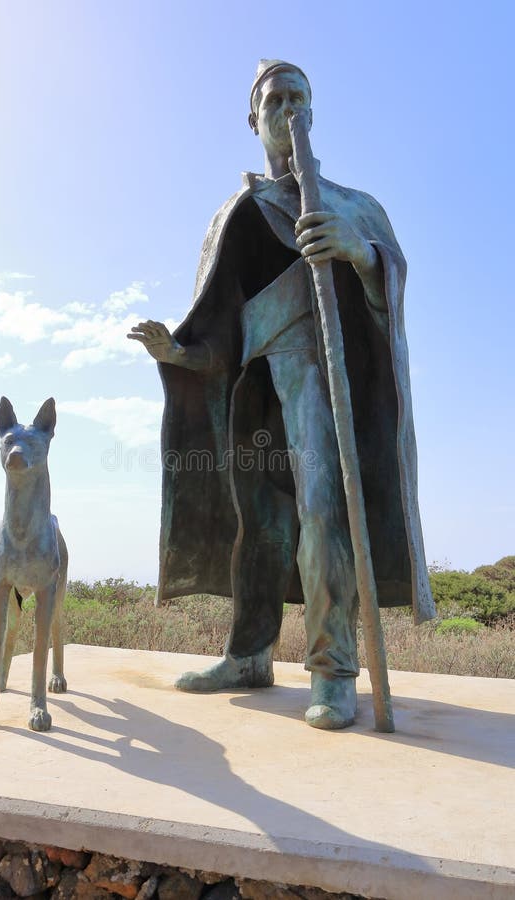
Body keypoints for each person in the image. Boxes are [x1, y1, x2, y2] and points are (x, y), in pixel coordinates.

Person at [128, 59, 435, 729]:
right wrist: (176, 353)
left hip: (327, 386)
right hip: (254, 395)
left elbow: (393, 288)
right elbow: (221, 330)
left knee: (325, 511)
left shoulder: (355, 207)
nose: (288, 108)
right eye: (275, 100)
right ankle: (249, 654)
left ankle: (333, 670)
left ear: (313, 111)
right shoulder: (239, 214)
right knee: (259, 525)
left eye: (299, 97)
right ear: (254, 119)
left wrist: (360, 253)